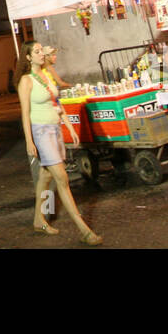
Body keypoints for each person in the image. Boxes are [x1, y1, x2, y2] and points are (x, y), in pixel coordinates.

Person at [17, 41, 101, 245]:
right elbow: (25, 113)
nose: (40, 54)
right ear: (28, 57)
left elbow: (57, 103)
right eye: (35, 52)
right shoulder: (26, 81)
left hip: (54, 130)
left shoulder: (46, 74)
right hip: (41, 132)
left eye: (40, 50)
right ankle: (84, 229)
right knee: (62, 179)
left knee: (46, 177)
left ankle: (39, 219)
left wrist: (69, 126)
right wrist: (29, 141)